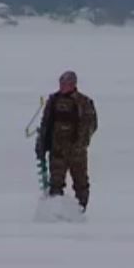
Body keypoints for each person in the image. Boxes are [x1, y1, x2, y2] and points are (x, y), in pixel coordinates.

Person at [35, 71, 98, 211]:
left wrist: (80, 144)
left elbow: (91, 125)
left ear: (73, 84)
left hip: (77, 153)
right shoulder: (53, 101)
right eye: (61, 83)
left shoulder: (83, 102)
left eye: (65, 84)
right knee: (55, 184)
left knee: (81, 183)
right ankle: (55, 211)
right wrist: (41, 144)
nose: (62, 86)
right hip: (57, 151)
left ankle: (80, 211)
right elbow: (45, 124)